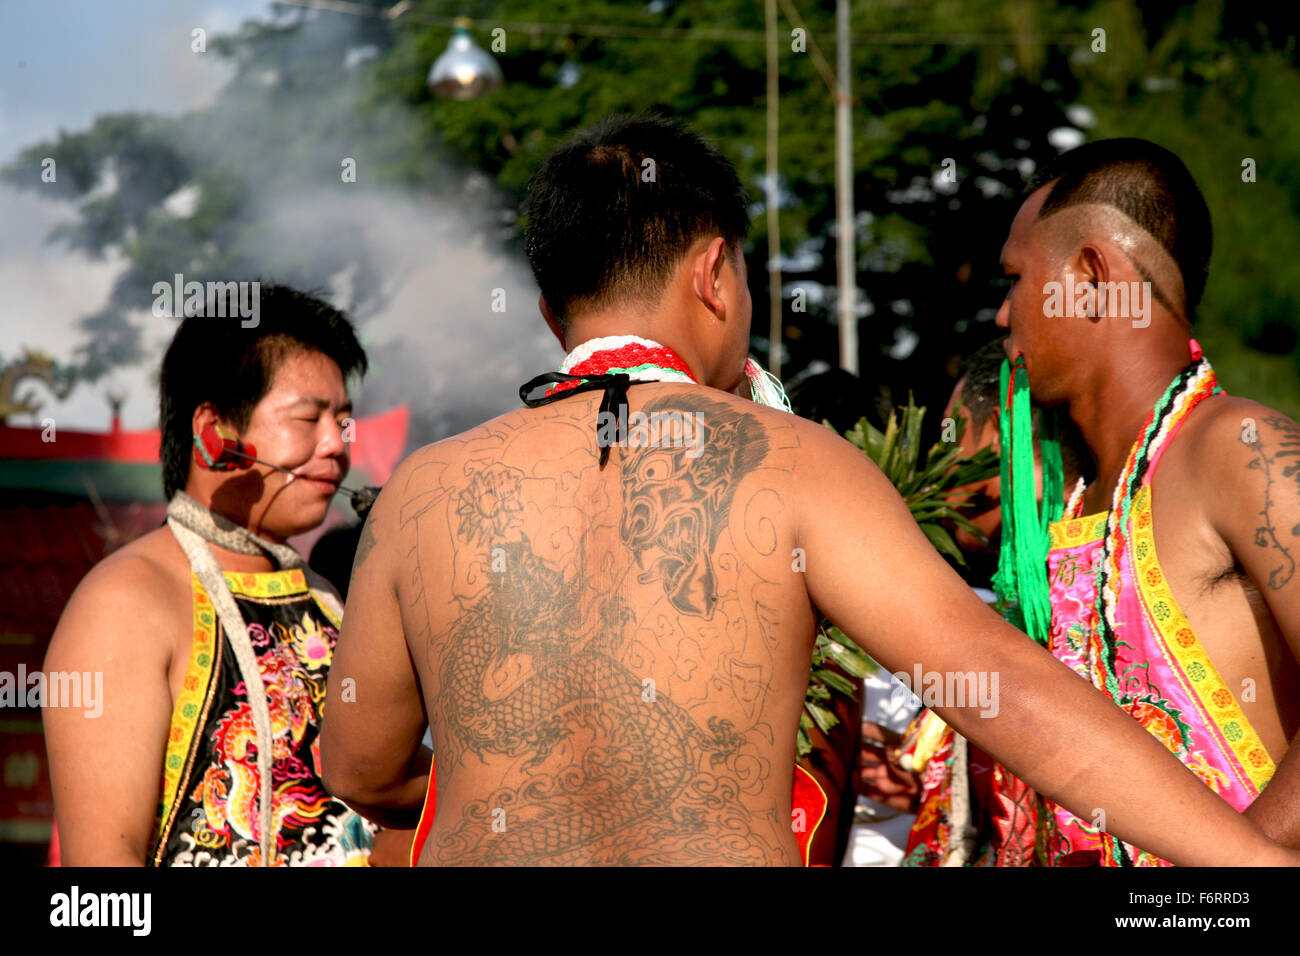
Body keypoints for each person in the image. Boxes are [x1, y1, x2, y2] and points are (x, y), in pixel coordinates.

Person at [321, 115, 1297, 866]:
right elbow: (1001, 688)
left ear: (547, 309)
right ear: (714, 275)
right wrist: (1249, 859)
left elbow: (356, 765)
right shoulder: (787, 462)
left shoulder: (420, 490)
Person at [986, 137, 1300, 864]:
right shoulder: (1062, 502)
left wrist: (1224, 867)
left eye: (1014, 279)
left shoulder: (1239, 449)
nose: (1004, 317)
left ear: (1092, 276)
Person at [44, 285, 386, 865]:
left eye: (343, 422)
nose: (335, 445)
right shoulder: (126, 601)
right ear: (214, 433)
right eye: (308, 418)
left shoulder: (325, 596)